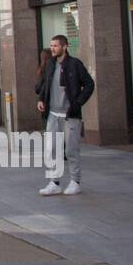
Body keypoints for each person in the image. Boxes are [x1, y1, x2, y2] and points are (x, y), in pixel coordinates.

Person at [37, 34, 95, 196]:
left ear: (64, 46)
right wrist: (41, 99)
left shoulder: (75, 64)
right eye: (51, 46)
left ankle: (75, 182)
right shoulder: (50, 64)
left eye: (55, 46)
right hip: (53, 115)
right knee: (51, 150)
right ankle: (54, 183)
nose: (52, 48)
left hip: (70, 115)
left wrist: (77, 103)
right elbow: (45, 85)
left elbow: (89, 84)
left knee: (71, 150)